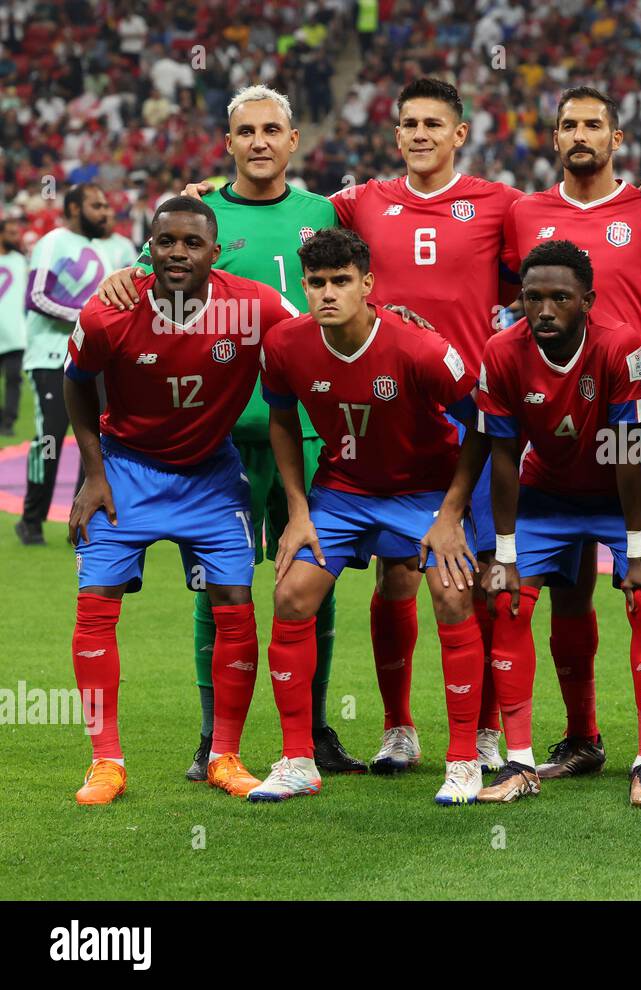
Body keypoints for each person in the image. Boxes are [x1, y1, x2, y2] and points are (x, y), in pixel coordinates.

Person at [93, 85, 363, 780]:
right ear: (229, 141)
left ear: (294, 140)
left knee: (312, 581)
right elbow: (152, 285)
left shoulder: (324, 211)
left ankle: (315, 728)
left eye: (273, 129)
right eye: (247, 131)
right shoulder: (199, 213)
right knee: (222, 586)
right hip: (218, 439)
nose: (260, 141)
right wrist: (126, 274)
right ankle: (217, 735)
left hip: (304, 427)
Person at [63, 196, 300, 805]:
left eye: (192, 243)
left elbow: (315, 332)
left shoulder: (254, 306)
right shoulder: (110, 312)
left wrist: (393, 318)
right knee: (96, 608)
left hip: (211, 475)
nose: (178, 253)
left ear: (214, 253)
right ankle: (105, 761)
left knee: (234, 604)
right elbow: (76, 383)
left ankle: (224, 755)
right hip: (125, 472)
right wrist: (93, 474)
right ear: (150, 248)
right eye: (165, 241)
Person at [256, 226, 489, 805]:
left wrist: (451, 515)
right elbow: (282, 421)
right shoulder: (285, 345)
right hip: (342, 491)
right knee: (290, 595)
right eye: (316, 283)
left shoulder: (422, 349)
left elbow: (485, 425)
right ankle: (298, 760)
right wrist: (297, 510)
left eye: (341, 282)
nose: (327, 293)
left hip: (427, 492)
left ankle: (463, 760)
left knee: (455, 596)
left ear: (368, 284)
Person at [499, 85, 641, 780]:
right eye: (568, 124)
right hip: (554, 432)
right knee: (566, 593)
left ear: (616, 138)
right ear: (554, 139)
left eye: (594, 125)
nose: (580, 134)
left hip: (640, 426)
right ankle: (583, 736)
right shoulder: (522, 213)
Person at [475, 240, 641, 806]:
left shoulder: (619, 346)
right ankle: (519, 763)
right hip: (548, 493)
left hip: (618, 492)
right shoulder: (502, 350)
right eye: (531, 297)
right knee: (510, 601)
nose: (543, 310)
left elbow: (630, 448)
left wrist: (637, 548)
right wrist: (505, 553)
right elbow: (505, 456)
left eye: (559, 298)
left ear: (587, 300)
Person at [17, 184, 134, 545]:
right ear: (72, 209)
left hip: (95, 359)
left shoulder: (118, 248)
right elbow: (36, 297)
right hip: (51, 355)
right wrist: (88, 318)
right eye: (96, 206)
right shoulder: (53, 242)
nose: (104, 212)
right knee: (49, 438)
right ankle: (30, 519)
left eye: (105, 206)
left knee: (97, 441)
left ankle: (81, 520)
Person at [0, 217, 26, 435]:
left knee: (13, 379)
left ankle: (8, 422)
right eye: (10, 233)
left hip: (15, 333)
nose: (15, 237)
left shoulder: (20, 261)